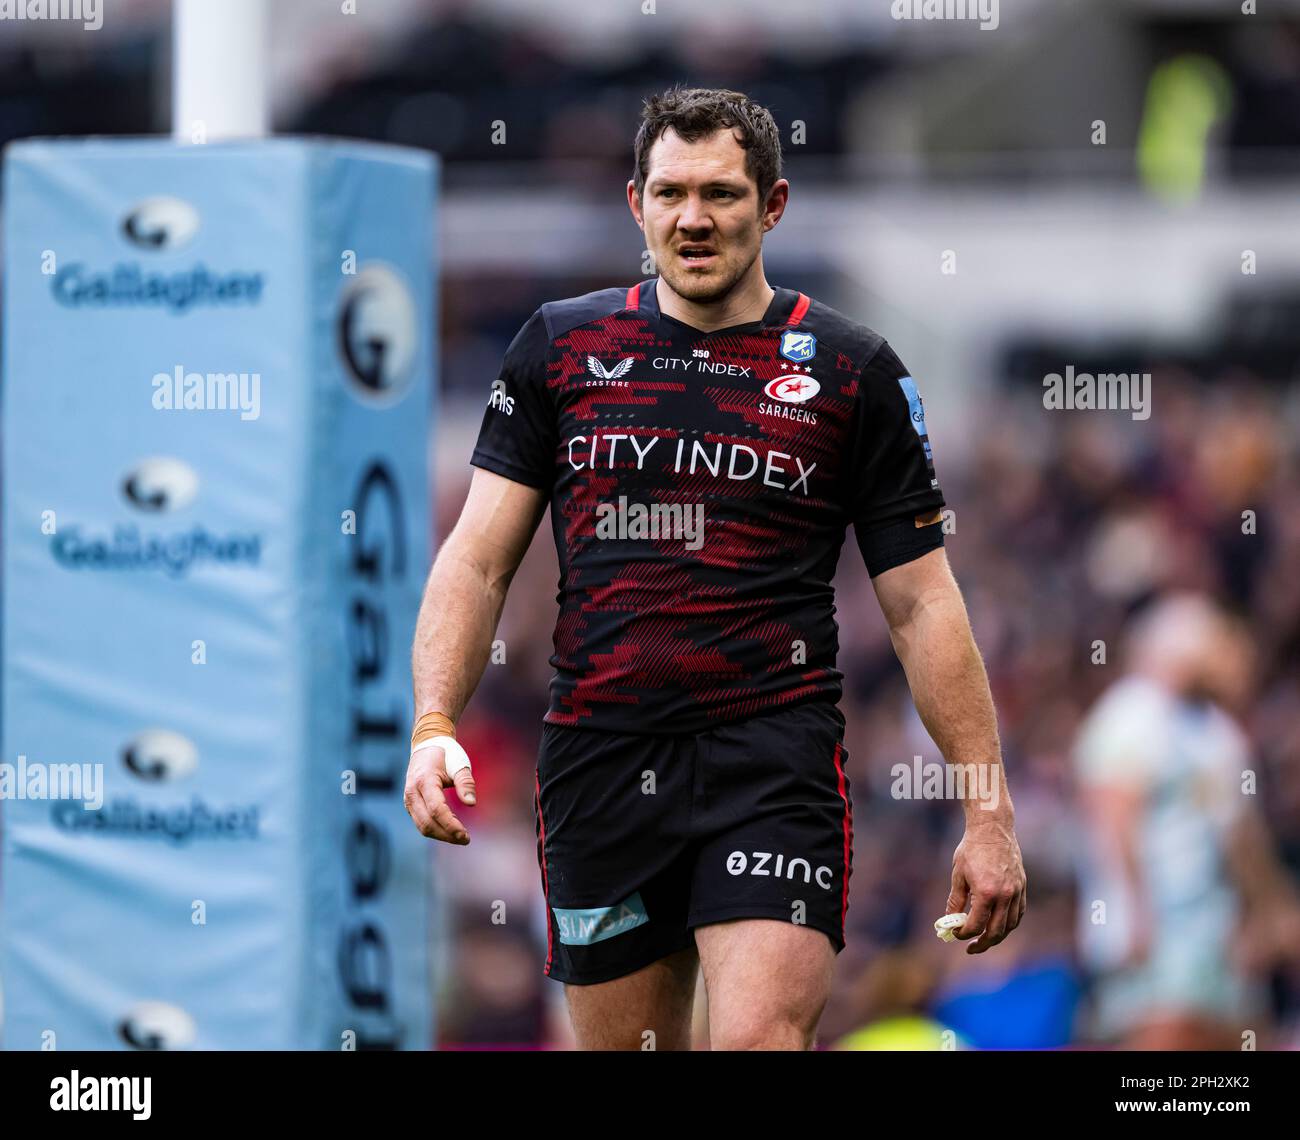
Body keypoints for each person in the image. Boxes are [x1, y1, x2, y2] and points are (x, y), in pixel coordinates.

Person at [405, 86, 1025, 1050]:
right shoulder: (563, 348)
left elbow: (922, 606)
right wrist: (434, 722)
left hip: (772, 761)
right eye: (671, 193)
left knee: (756, 1040)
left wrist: (987, 811)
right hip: (602, 762)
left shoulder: (853, 372)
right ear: (637, 204)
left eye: (721, 194)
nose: (692, 218)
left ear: (772, 205)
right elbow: (478, 560)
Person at [1073, 592, 1300, 1049]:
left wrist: (1271, 911)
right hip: (1157, 928)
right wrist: (1131, 916)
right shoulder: (1130, 714)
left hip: (1213, 930)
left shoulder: (1215, 730)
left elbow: (1241, 838)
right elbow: (1113, 819)